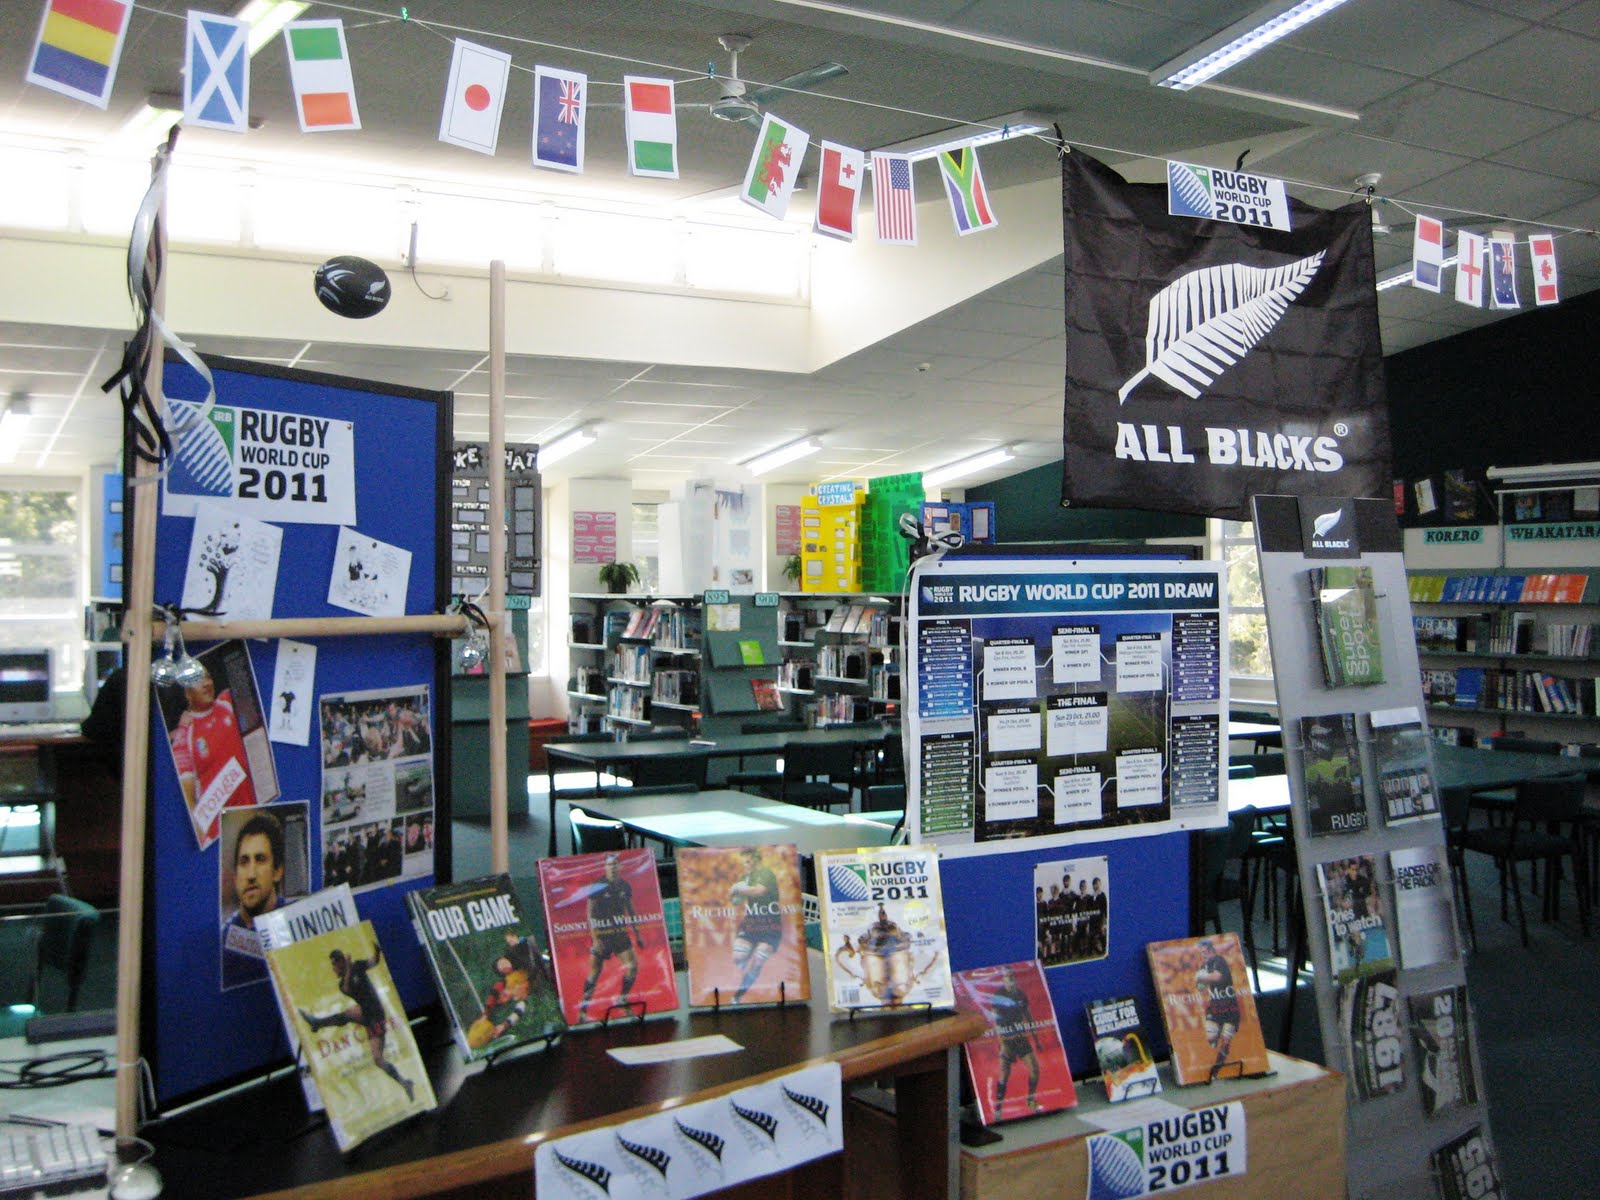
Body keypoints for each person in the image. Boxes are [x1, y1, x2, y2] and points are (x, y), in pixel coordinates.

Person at [299, 943, 417, 1102]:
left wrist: (377, 952)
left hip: (375, 1015)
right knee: (348, 1014)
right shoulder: (343, 982)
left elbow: (373, 962)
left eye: (335, 964)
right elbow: (347, 989)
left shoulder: (357, 967)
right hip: (366, 1012)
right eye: (333, 965)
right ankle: (317, 1023)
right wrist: (347, 968)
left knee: (378, 1059)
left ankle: (405, 1083)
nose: (334, 968)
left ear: (341, 962)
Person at [169, 663, 257, 845]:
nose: (206, 683)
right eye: (197, 680)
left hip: (253, 816)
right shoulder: (184, 736)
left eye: (208, 677)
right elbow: (188, 799)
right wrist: (204, 840)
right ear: (186, 692)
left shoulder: (227, 702)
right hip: (220, 836)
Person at [221, 811, 285, 989]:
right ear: (235, 876)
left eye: (260, 859)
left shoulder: (296, 925)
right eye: (244, 862)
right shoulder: (223, 941)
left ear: (277, 871)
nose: (250, 875)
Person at [580, 853, 645, 1019]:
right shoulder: (598, 885)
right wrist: (596, 940)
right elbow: (590, 914)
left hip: (619, 933)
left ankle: (622, 999)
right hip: (602, 934)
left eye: (615, 864)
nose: (613, 867)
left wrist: (637, 934)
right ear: (605, 867)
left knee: (632, 966)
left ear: (620, 867)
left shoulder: (624, 886)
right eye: (609, 865)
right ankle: (583, 1010)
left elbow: (630, 910)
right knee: (595, 972)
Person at [728, 848, 784, 1003]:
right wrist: (734, 895)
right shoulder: (745, 877)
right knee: (738, 956)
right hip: (751, 923)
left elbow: (759, 891)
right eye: (744, 862)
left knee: (758, 961)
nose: (745, 865)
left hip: (770, 925)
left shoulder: (767, 874)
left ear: (755, 859)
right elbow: (736, 900)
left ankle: (738, 995)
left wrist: (738, 888)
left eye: (747, 861)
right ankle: (742, 964)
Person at [989, 965, 1043, 1115]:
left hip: (1020, 1037)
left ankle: (1030, 1100)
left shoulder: (1020, 994)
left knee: (1035, 1070)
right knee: (1004, 1074)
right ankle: (998, 1108)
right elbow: (995, 1021)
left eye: (1012, 976)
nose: (1010, 979)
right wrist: (1001, 1044)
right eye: (1007, 977)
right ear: (1003, 979)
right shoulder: (998, 996)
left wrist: (1036, 1040)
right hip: (1006, 1038)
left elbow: (1028, 1016)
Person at [1194, 938, 1241, 1079]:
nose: (1203, 954)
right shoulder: (1205, 965)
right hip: (1215, 1006)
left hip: (1230, 1007)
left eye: (1204, 951)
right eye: (1201, 952)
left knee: (1226, 1042)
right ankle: (1214, 1040)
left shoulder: (1220, 961)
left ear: (1210, 949)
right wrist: (1200, 981)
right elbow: (1200, 986)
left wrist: (1202, 978)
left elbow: (1217, 977)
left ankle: (1215, 1071)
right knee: (1210, 1038)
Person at [465, 954, 531, 1051]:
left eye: (504, 962)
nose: (504, 965)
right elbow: (493, 998)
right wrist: (503, 1024)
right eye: (501, 965)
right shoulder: (510, 990)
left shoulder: (519, 971)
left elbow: (494, 996)